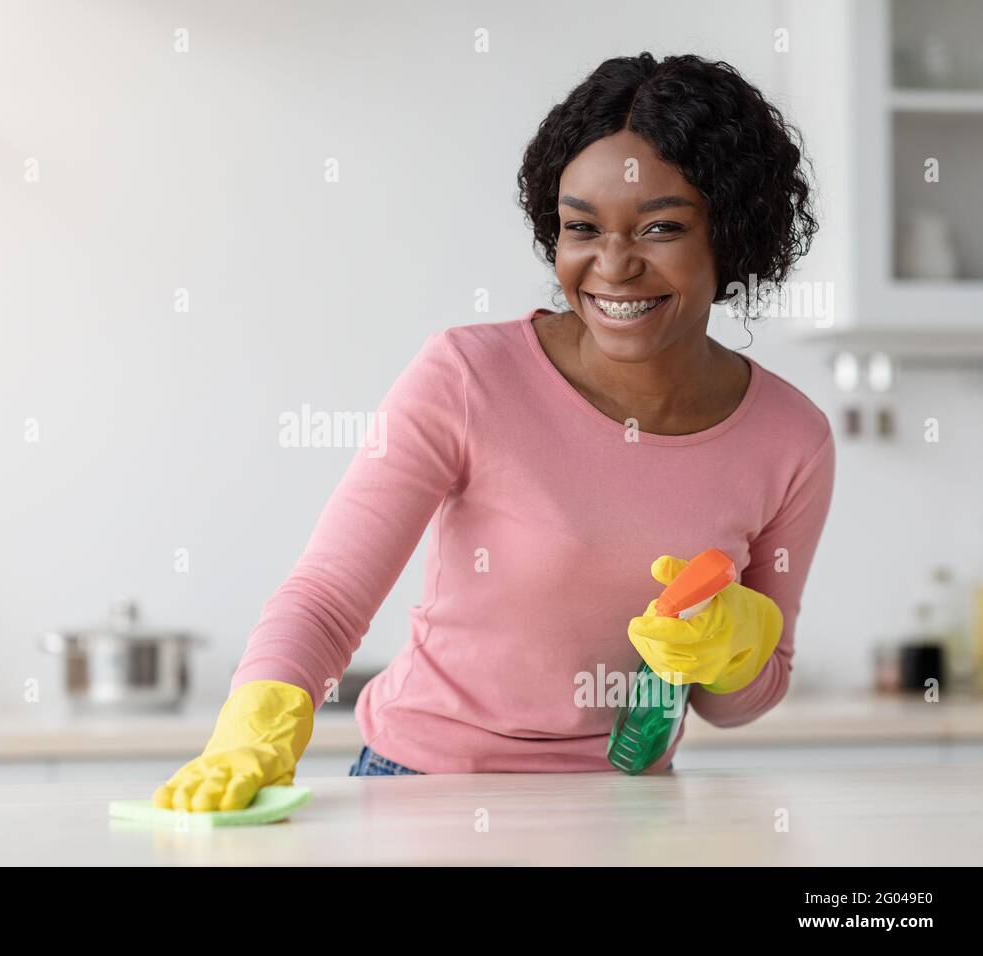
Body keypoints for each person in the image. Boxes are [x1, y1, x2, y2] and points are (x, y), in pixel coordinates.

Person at [155, 52, 835, 811]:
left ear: (733, 237)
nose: (612, 265)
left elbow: (741, 703)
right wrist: (255, 729)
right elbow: (328, 596)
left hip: (634, 811)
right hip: (425, 792)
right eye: (582, 227)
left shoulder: (789, 438)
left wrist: (736, 644)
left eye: (660, 227)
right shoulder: (467, 377)